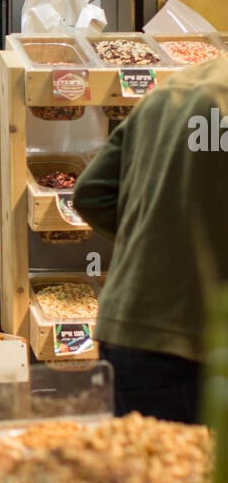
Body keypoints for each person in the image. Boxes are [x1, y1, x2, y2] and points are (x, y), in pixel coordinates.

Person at [74, 61, 228, 423]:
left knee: (146, 473)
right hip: (198, 339)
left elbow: (92, 193)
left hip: (128, 327)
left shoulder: (173, 88)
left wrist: (158, 241)